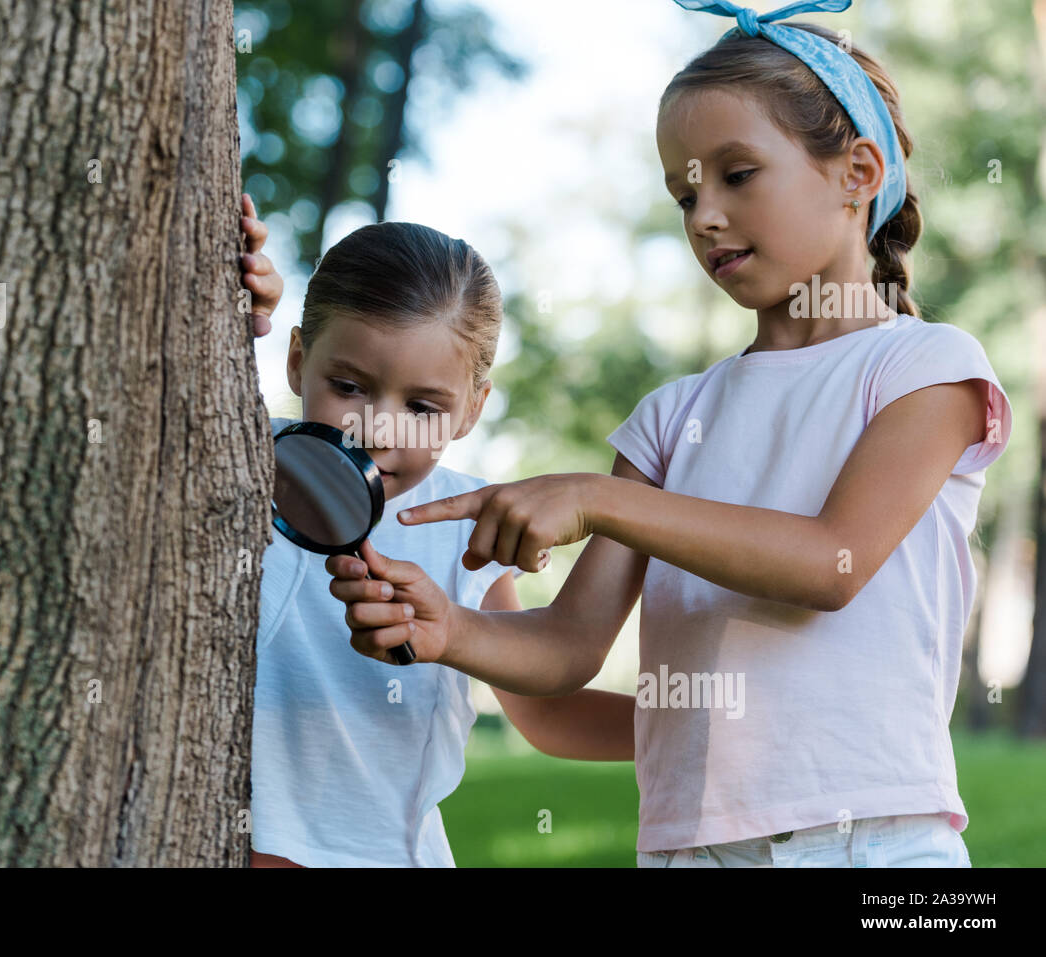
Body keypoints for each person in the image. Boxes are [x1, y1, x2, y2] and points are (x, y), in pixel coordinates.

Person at [326, 1, 1013, 867]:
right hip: (689, 849)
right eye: (685, 192)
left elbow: (829, 564)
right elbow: (570, 647)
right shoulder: (666, 417)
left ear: (857, 172)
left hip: (873, 842)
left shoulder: (928, 367)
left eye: (737, 175)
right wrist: (447, 632)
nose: (704, 217)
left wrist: (599, 500)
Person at [249, 221, 637, 867]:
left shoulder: (464, 531)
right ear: (296, 360)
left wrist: (699, 729)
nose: (377, 428)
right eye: (348, 387)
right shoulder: (234, 461)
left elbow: (546, 712)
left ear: (471, 410)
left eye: (423, 406)